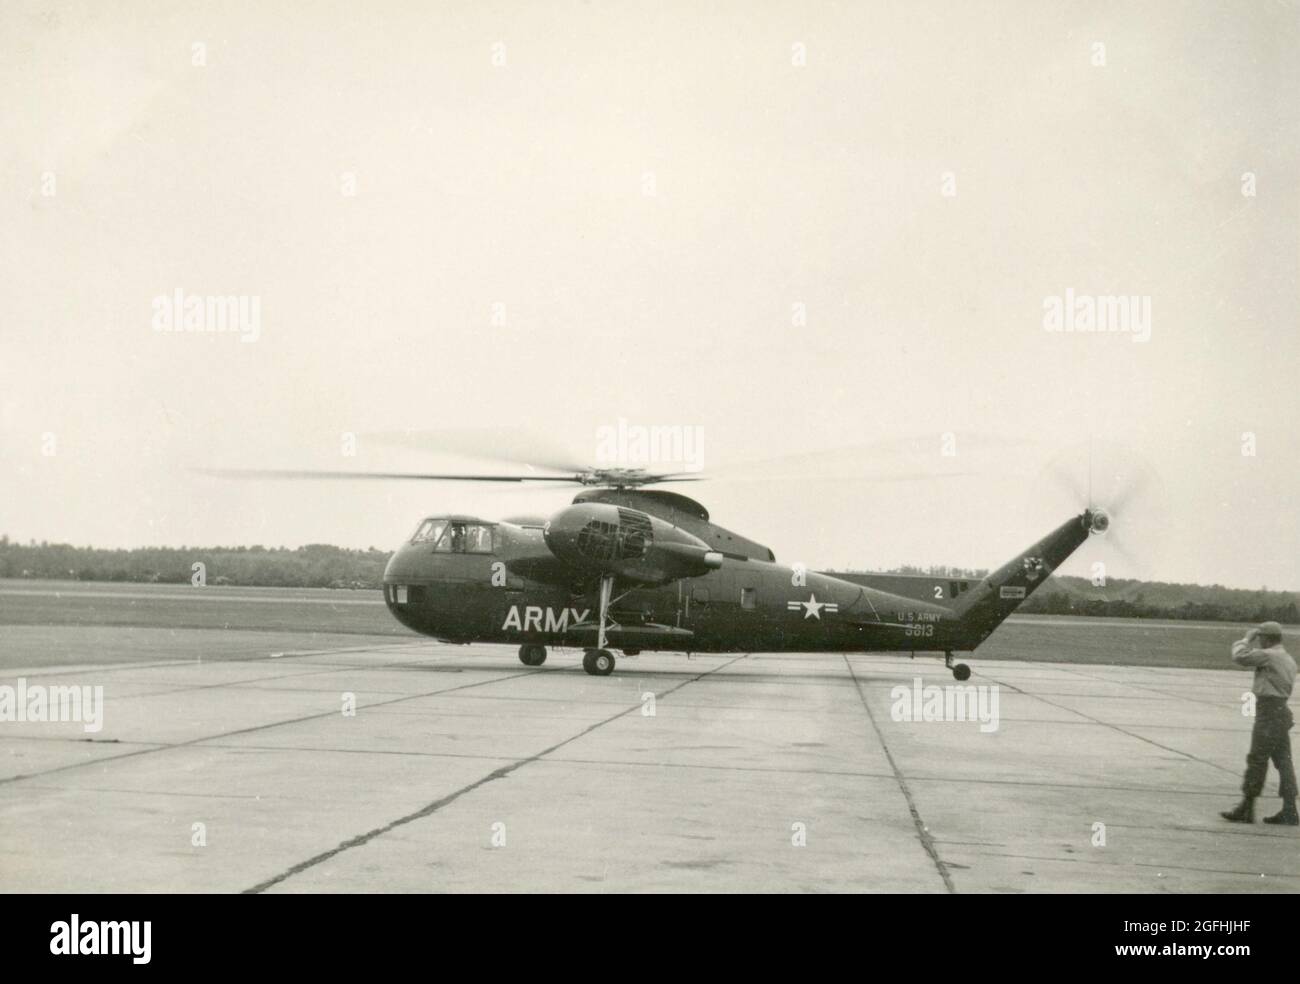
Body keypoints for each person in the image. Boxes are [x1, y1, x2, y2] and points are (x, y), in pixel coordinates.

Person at [1221, 621, 1297, 825]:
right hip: (1281, 712)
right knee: (1283, 761)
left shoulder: (1269, 655)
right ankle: (1290, 809)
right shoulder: (1287, 657)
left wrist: (1246, 639)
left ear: (1267, 638)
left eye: (1261, 637)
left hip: (1269, 713)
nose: (1259, 640)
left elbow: (1239, 656)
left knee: (1257, 758)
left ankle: (1247, 806)